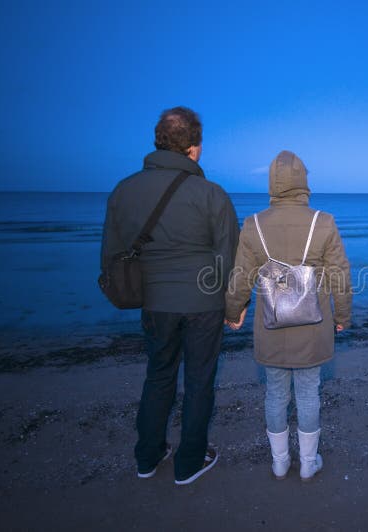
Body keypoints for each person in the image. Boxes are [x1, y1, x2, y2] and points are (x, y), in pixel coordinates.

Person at [100, 106, 239, 485]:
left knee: (158, 375)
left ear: (159, 141)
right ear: (194, 147)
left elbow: (111, 255)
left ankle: (148, 456)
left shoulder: (123, 191)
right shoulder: (212, 195)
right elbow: (229, 258)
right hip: (203, 303)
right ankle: (189, 461)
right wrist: (233, 306)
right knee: (199, 380)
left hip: (156, 302)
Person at [225, 150, 351, 481]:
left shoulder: (253, 224)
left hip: (271, 326)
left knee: (275, 393)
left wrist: (233, 310)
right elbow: (340, 274)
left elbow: (241, 276)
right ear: (303, 183)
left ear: (272, 183)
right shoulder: (323, 222)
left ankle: (280, 461)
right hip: (313, 326)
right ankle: (308, 463)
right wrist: (343, 315)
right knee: (309, 392)